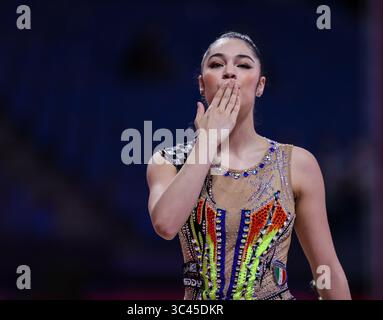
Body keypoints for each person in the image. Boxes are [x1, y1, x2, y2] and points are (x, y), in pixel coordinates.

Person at [146, 31, 351, 300]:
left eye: (243, 65)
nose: (230, 72)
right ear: (201, 84)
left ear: (260, 85)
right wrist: (207, 141)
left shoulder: (297, 164)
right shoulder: (168, 161)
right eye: (217, 64)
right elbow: (166, 224)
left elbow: (326, 268)